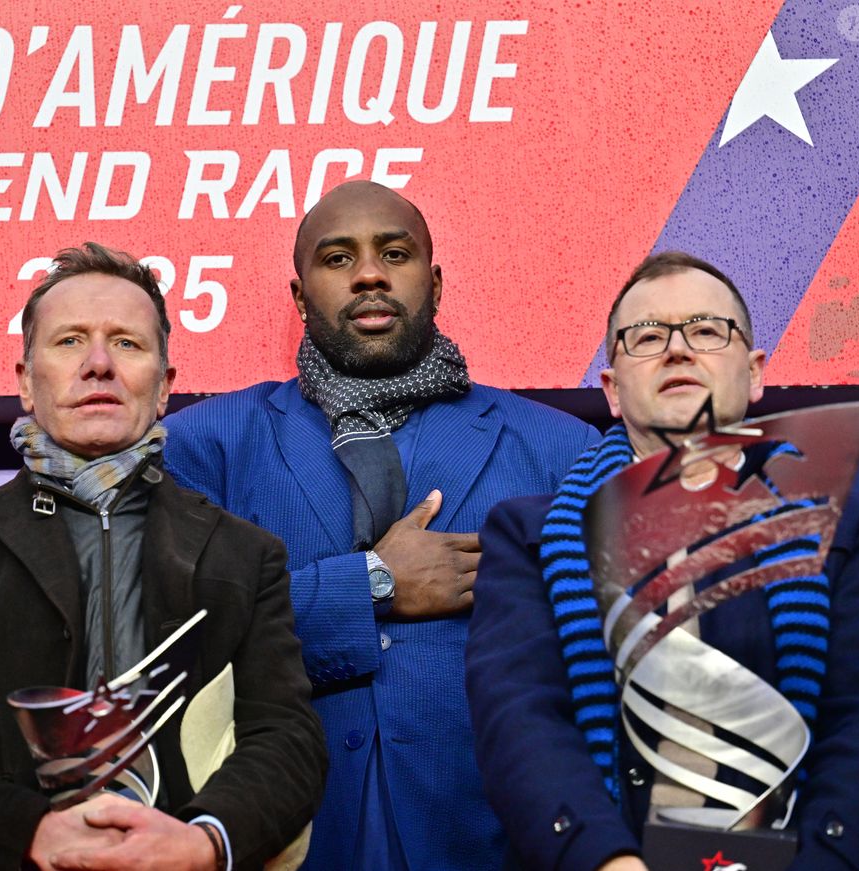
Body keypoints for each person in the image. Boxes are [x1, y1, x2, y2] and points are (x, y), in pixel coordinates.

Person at [164, 181, 600, 871]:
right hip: (281, 840)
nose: (369, 273)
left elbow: (597, 672)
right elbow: (171, 649)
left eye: (393, 253)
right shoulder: (204, 446)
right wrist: (368, 585)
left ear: (434, 282)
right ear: (300, 297)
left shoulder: (562, 451)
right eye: (337, 259)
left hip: (498, 841)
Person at [0, 243, 326, 871]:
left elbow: (288, 742)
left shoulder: (245, 556)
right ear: (26, 382)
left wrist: (199, 842)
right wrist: (34, 834)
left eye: (128, 344)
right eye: (70, 342)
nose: (99, 365)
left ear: (164, 389)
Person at [466, 252, 859, 871]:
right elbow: (521, 721)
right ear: (611, 389)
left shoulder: (850, 525)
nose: (678, 350)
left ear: (756, 372)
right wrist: (606, 862)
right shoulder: (528, 535)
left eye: (708, 331)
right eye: (648, 337)